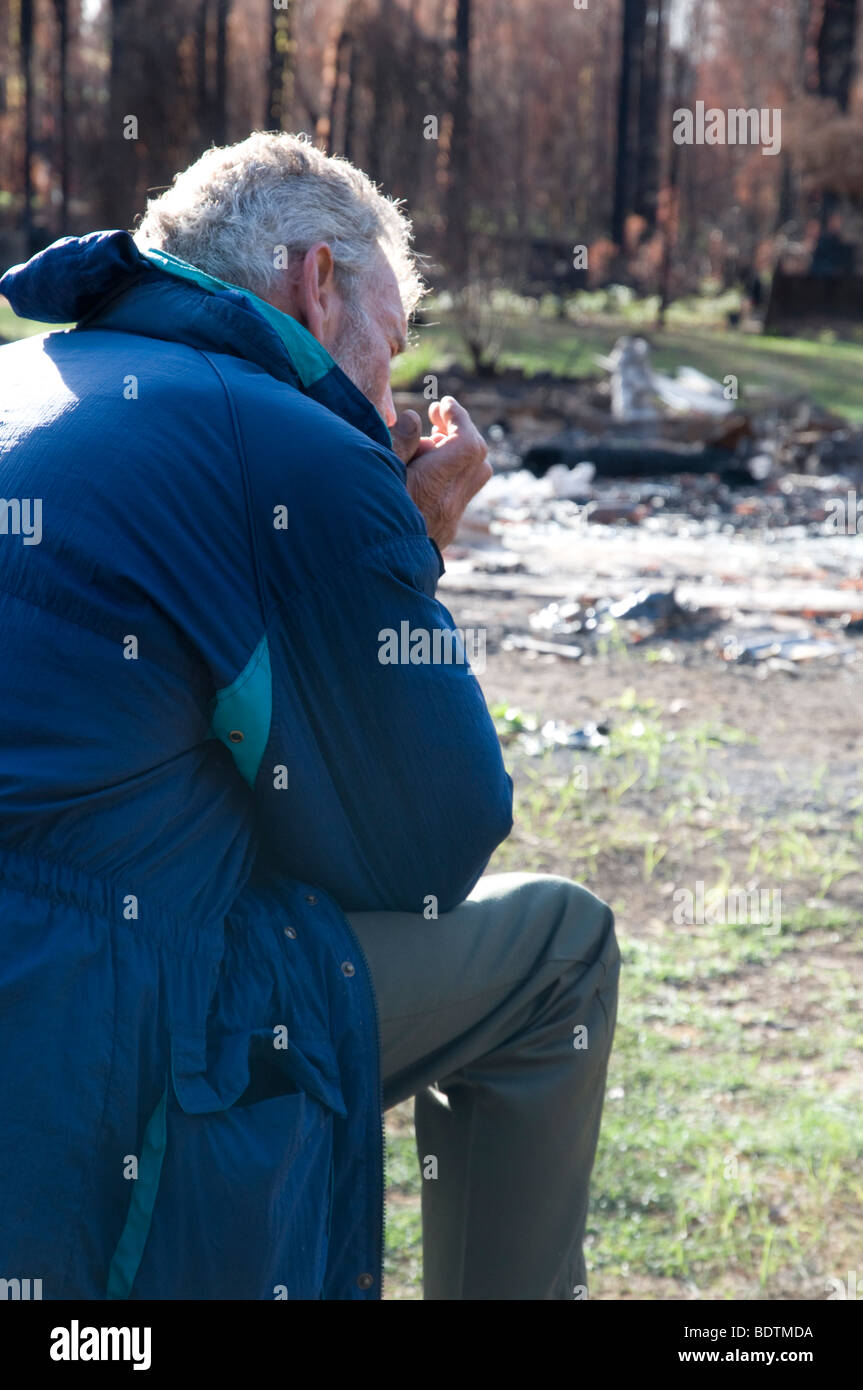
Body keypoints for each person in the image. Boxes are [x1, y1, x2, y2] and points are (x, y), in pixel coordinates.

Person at [0, 131, 619, 1301]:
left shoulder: (26, 377)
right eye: (390, 347)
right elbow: (423, 853)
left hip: (50, 939)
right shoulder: (293, 447)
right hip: (86, 1009)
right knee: (557, 951)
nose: (386, 395)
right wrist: (407, 541)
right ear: (315, 281)